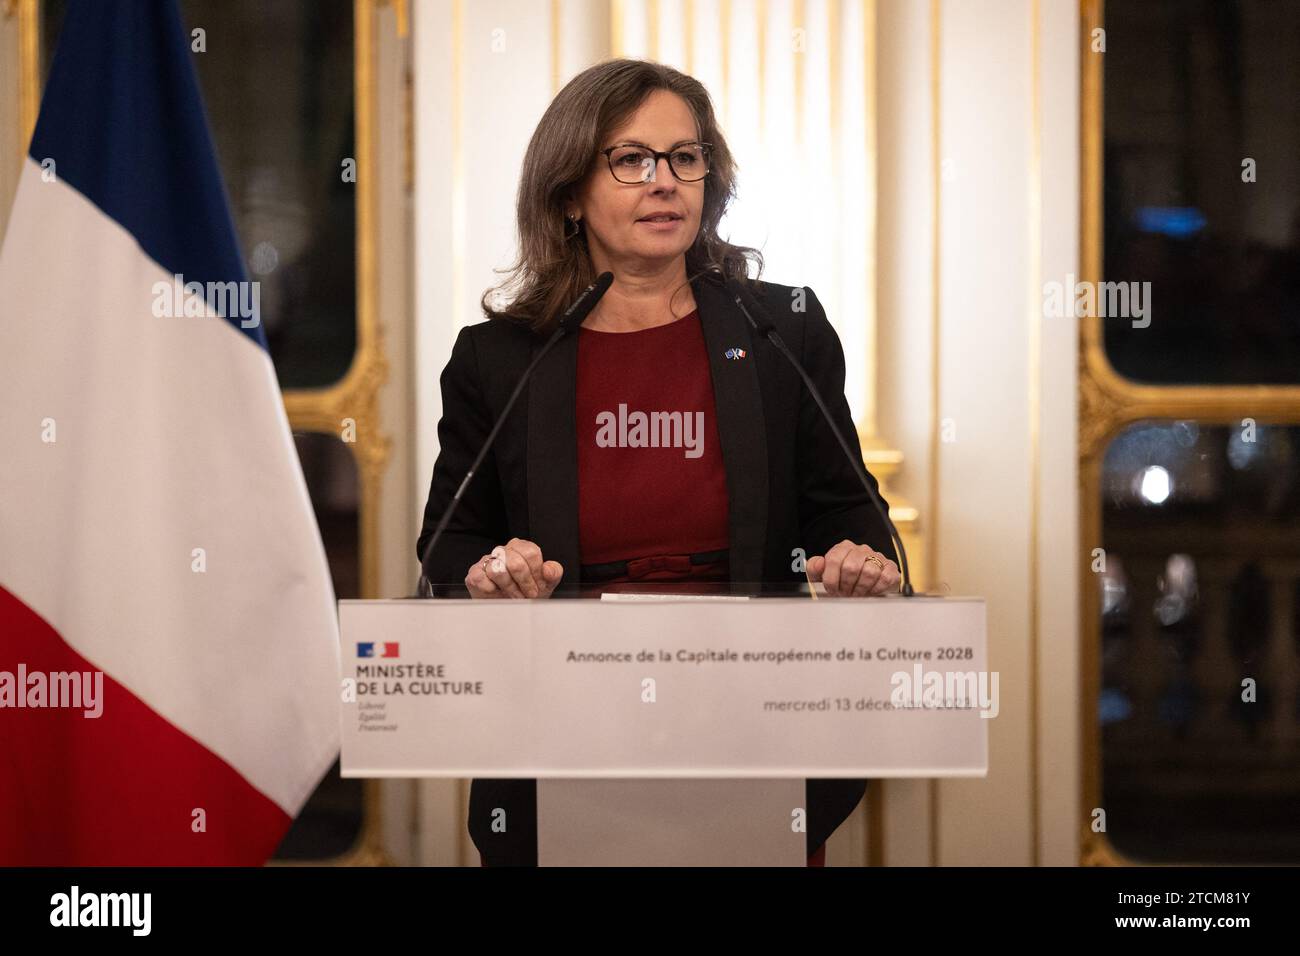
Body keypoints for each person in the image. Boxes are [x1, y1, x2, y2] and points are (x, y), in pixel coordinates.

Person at [417, 57, 901, 867]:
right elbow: (447, 552)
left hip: (755, 728)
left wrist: (861, 562)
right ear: (569, 191)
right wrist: (498, 577)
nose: (665, 181)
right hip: (564, 733)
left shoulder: (785, 329)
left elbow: (851, 511)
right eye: (632, 159)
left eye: (686, 157)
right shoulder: (500, 359)